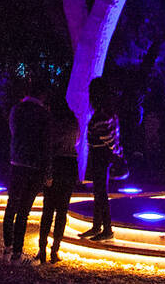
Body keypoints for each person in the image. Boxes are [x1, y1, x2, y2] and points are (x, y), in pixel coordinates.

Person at [2, 78, 49, 262]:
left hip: (17, 161)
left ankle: (7, 247)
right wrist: (47, 170)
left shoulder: (16, 109)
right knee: (24, 211)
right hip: (34, 164)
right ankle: (17, 253)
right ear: (43, 94)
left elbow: (13, 132)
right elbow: (45, 143)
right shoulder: (43, 114)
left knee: (11, 205)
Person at [35, 95, 80, 263]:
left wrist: (47, 173)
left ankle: (42, 249)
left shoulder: (51, 122)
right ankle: (55, 250)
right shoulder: (73, 121)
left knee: (48, 210)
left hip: (55, 164)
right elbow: (77, 141)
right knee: (62, 210)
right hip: (69, 165)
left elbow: (46, 147)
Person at [79, 77, 123, 242]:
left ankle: (106, 228)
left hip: (100, 156)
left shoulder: (102, 114)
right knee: (98, 191)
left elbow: (108, 137)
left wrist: (116, 151)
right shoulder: (106, 112)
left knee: (101, 193)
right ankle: (98, 226)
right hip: (101, 155)